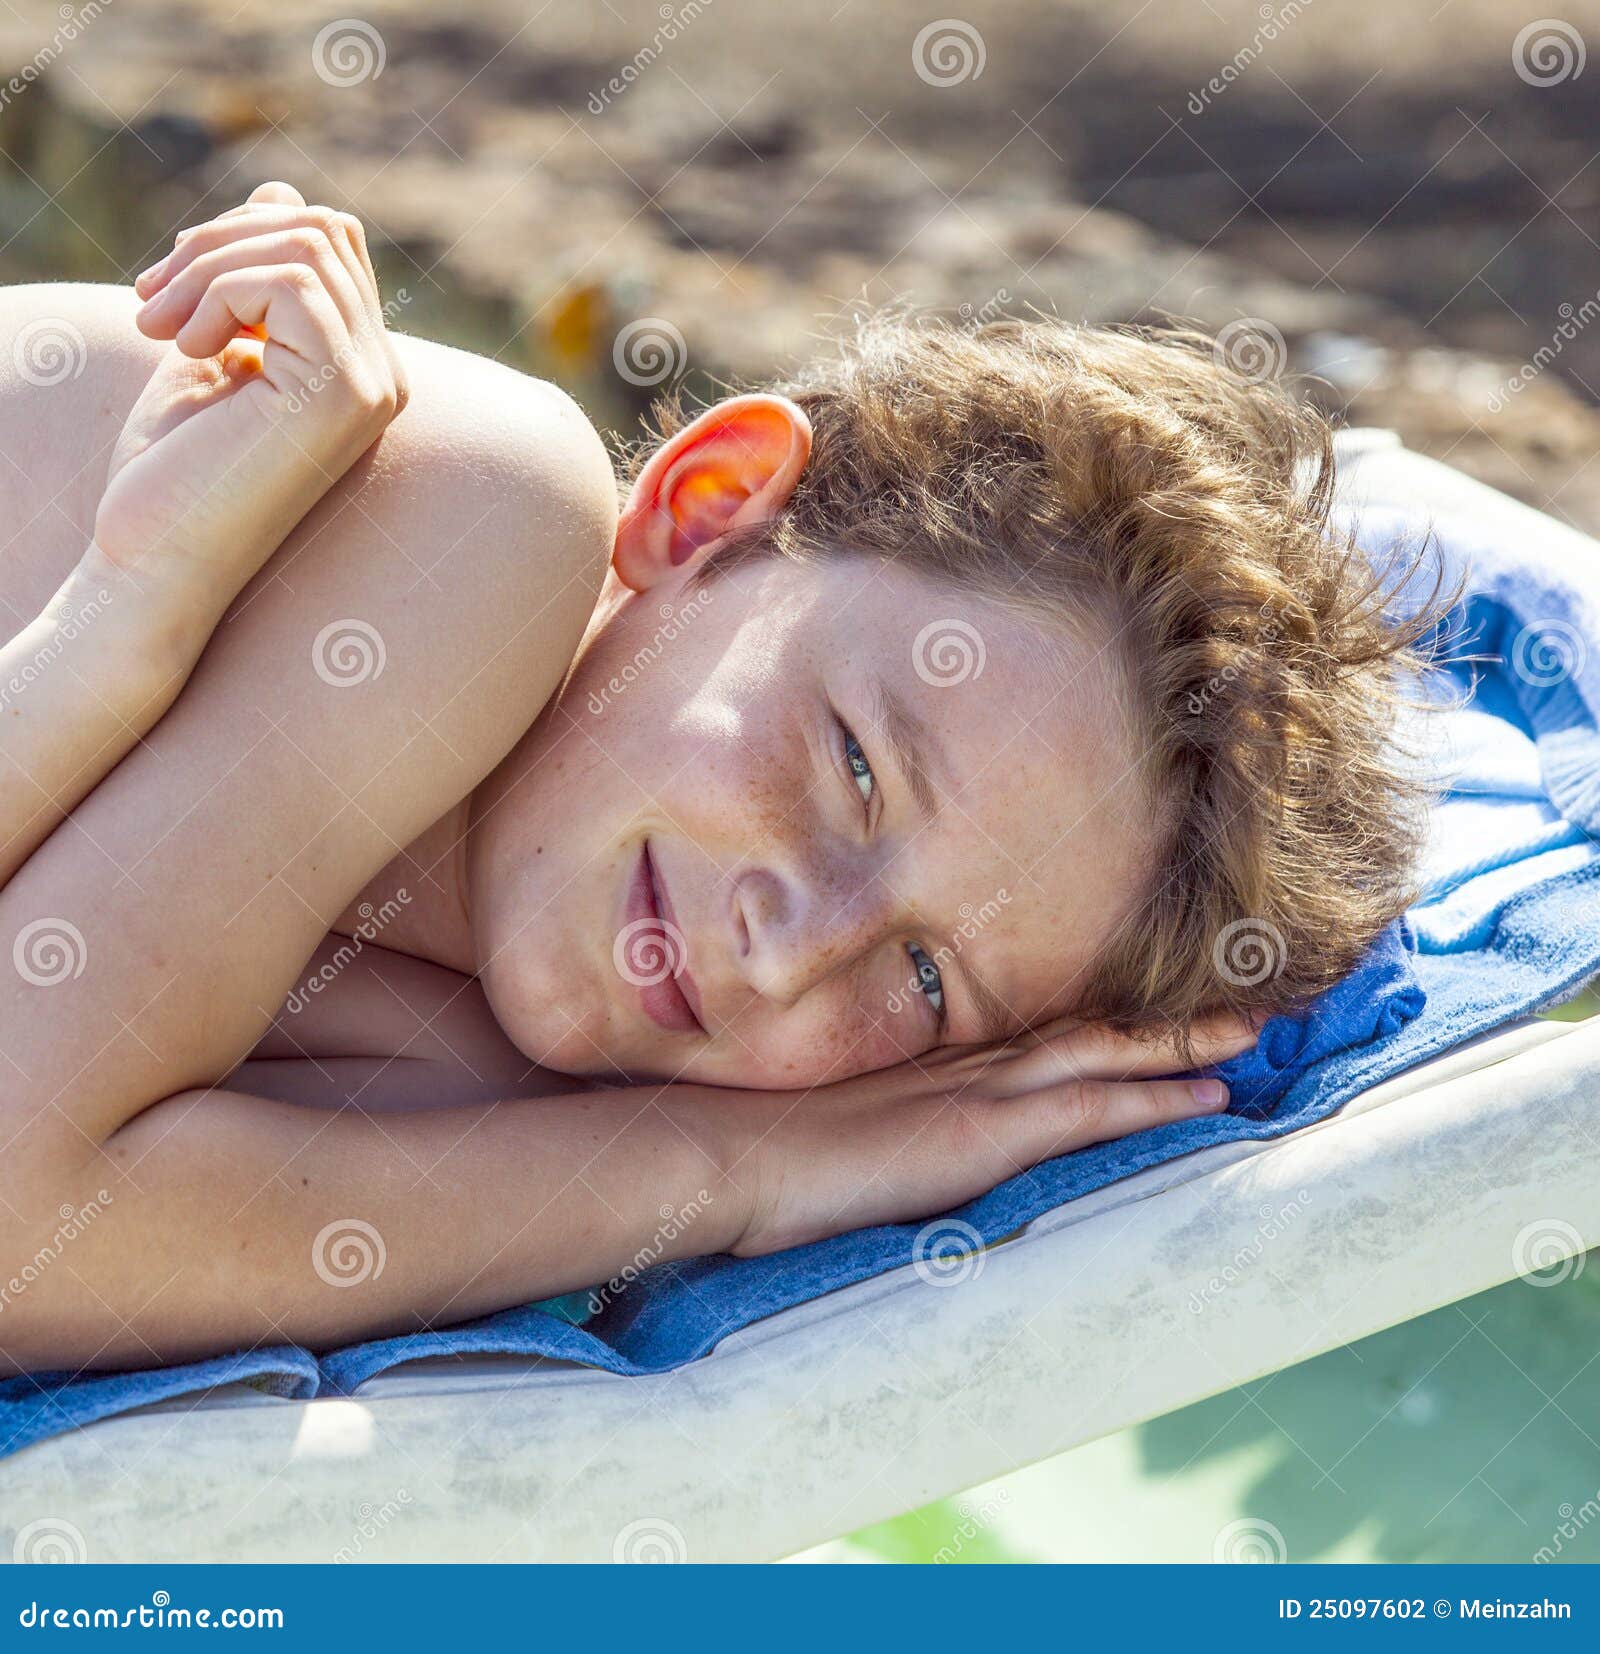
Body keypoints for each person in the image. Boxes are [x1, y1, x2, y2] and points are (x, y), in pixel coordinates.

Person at [0, 185, 1437, 1372]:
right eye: (856, 769)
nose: (793, 949)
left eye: (927, 981)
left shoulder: (469, 1072)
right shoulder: (491, 513)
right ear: (706, 508)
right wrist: (729, 1167)